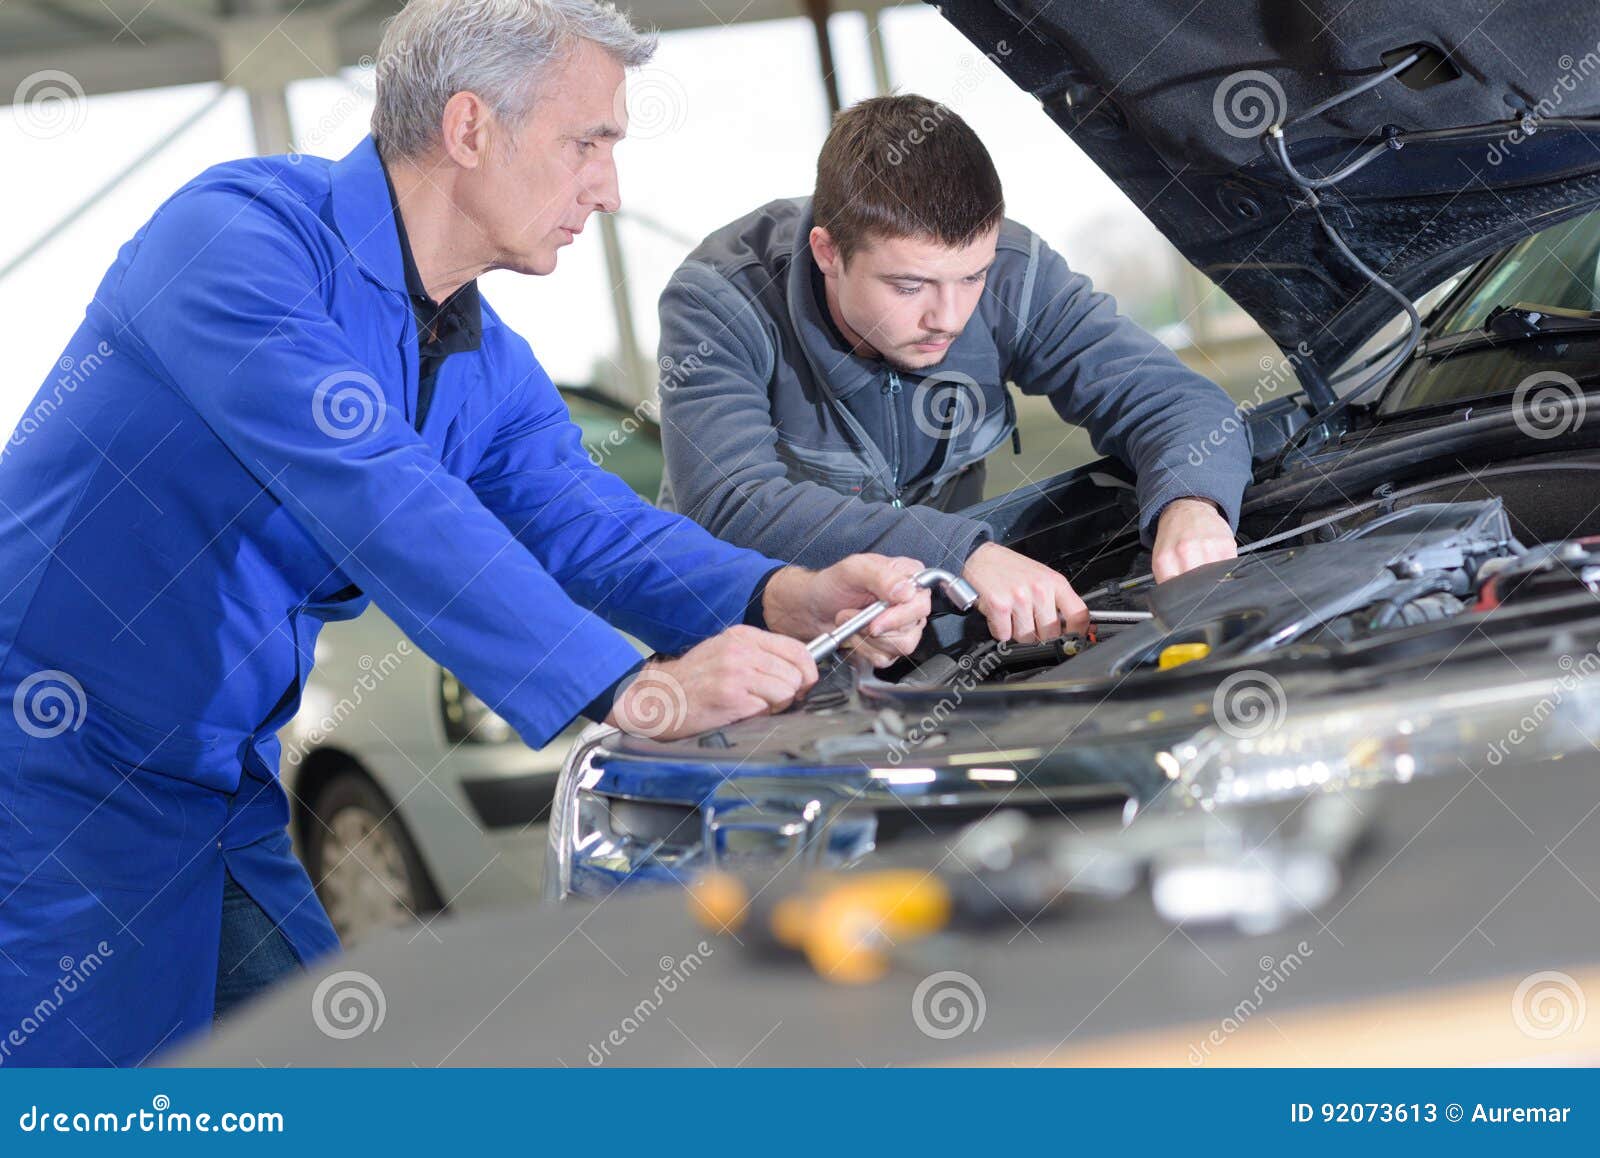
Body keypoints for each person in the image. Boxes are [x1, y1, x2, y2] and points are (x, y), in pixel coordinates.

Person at [0, 0, 929, 1067]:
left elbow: (589, 523)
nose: (610, 190)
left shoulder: (475, 354)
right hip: (44, 767)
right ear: (471, 127)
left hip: (215, 782)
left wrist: (780, 594)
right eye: (589, 143)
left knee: (314, 1080)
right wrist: (623, 687)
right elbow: (379, 491)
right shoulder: (232, 244)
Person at [656, 94, 1252, 645]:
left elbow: (1171, 401)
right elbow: (732, 504)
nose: (949, 317)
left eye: (971, 277)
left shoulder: (1016, 273)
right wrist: (959, 553)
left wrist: (1192, 502)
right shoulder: (721, 301)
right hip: (751, 635)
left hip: (928, 623)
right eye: (909, 285)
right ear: (827, 252)